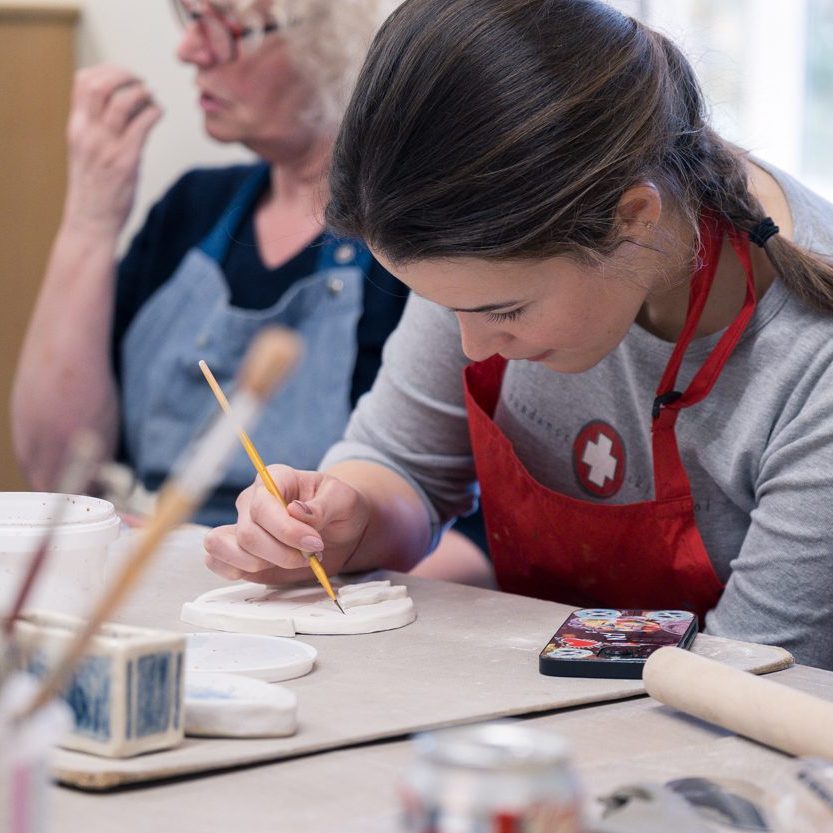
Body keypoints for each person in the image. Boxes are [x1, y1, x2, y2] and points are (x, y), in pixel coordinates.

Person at [202, 0, 833, 669]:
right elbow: (403, 462)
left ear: (632, 221)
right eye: (449, 311)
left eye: (504, 311)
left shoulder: (809, 360)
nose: (473, 349)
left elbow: (754, 685)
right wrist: (341, 521)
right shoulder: (479, 234)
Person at [10, 0, 485, 562]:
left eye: (229, 26)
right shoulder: (190, 209)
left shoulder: (412, 247)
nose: (189, 50)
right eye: (192, 20)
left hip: (314, 590)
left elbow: (459, 533)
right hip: (148, 578)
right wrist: (90, 219)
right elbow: (56, 471)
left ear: (334, 43)